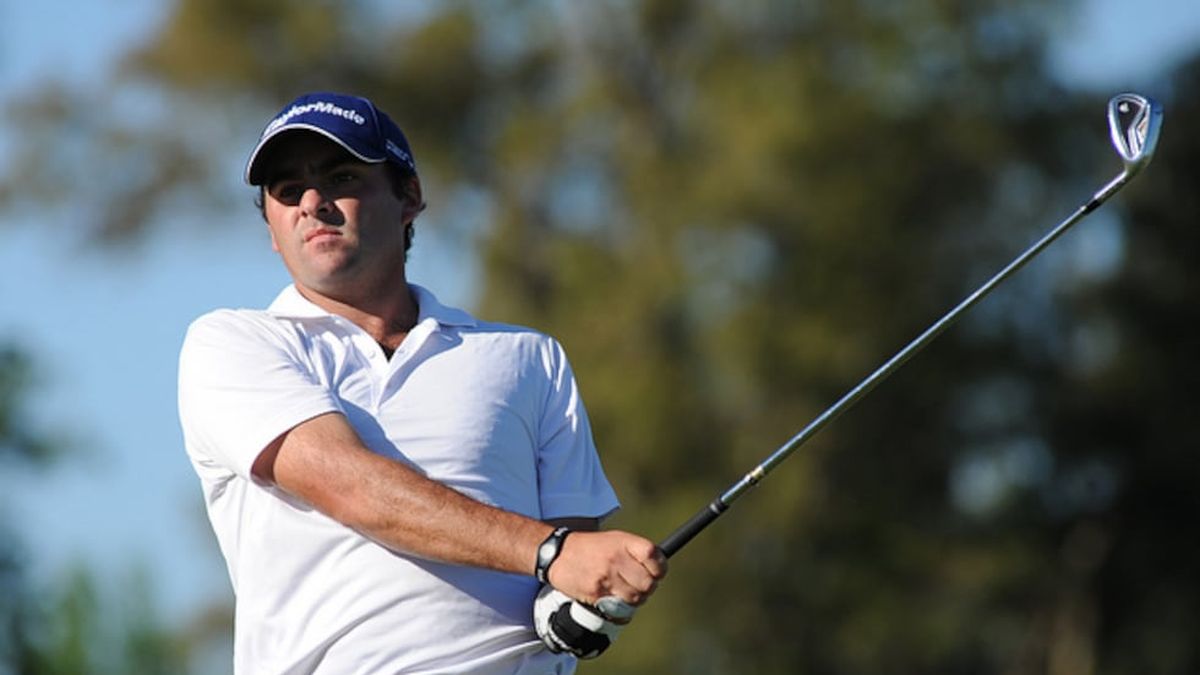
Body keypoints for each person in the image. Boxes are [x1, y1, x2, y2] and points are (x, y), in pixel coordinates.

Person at [177, 91, 668, 674]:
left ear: (408, 196)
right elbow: (349, 485)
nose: (311, 203)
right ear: (272, 229)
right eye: (286, 192)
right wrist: (550, 554)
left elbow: (576, 572)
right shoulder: (234, 344)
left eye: (340, 177)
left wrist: (590, 598)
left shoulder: (529, 357)